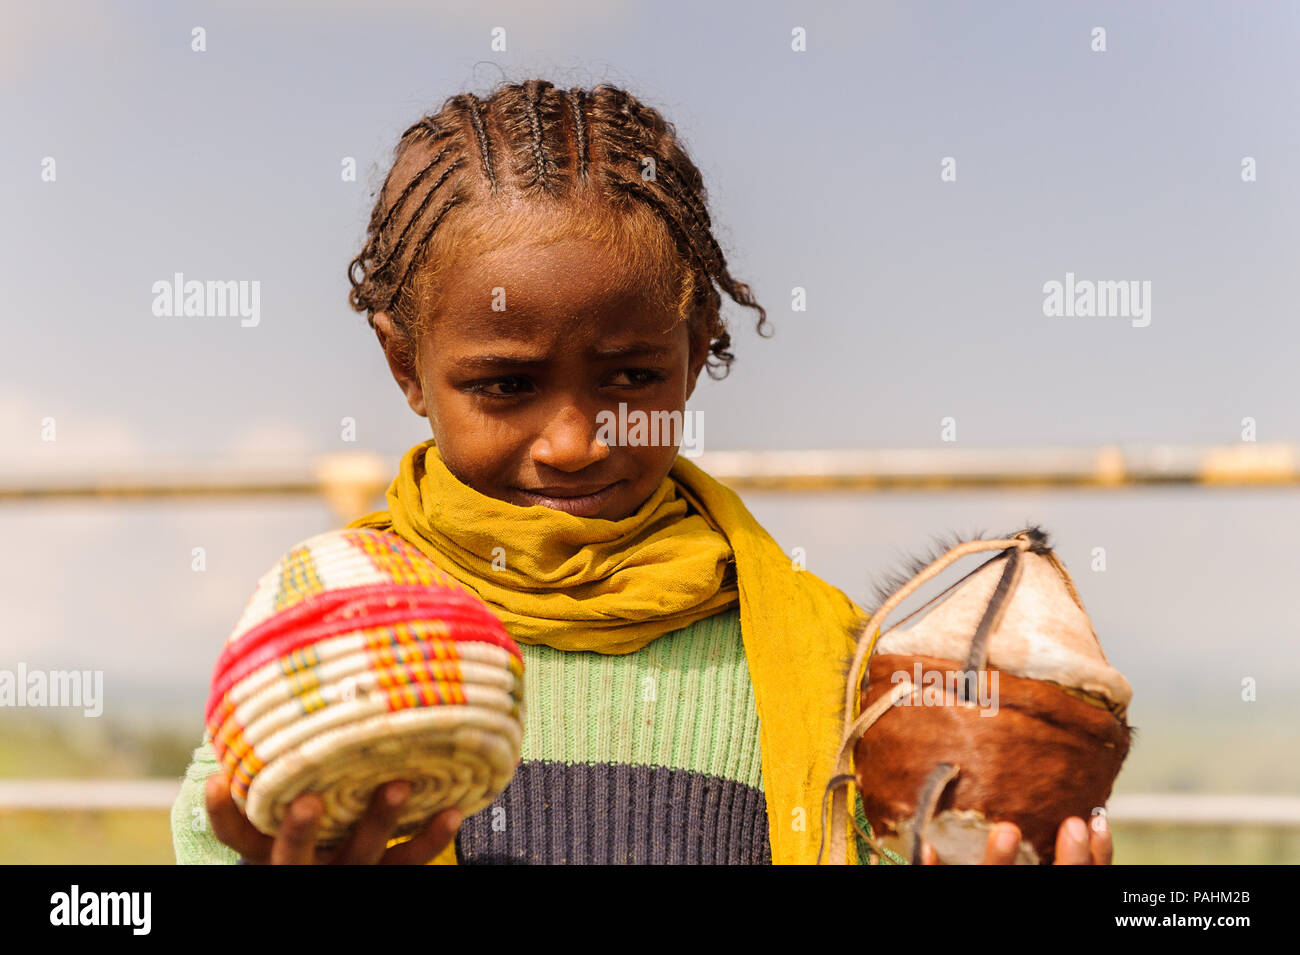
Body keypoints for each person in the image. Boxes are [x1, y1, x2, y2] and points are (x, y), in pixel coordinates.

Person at [170, 79, 1111, 865]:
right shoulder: (317, 651)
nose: (576, 438)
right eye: (506, 383)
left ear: (698, 350)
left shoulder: (841, 663)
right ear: (405, 366)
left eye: (631, 375)